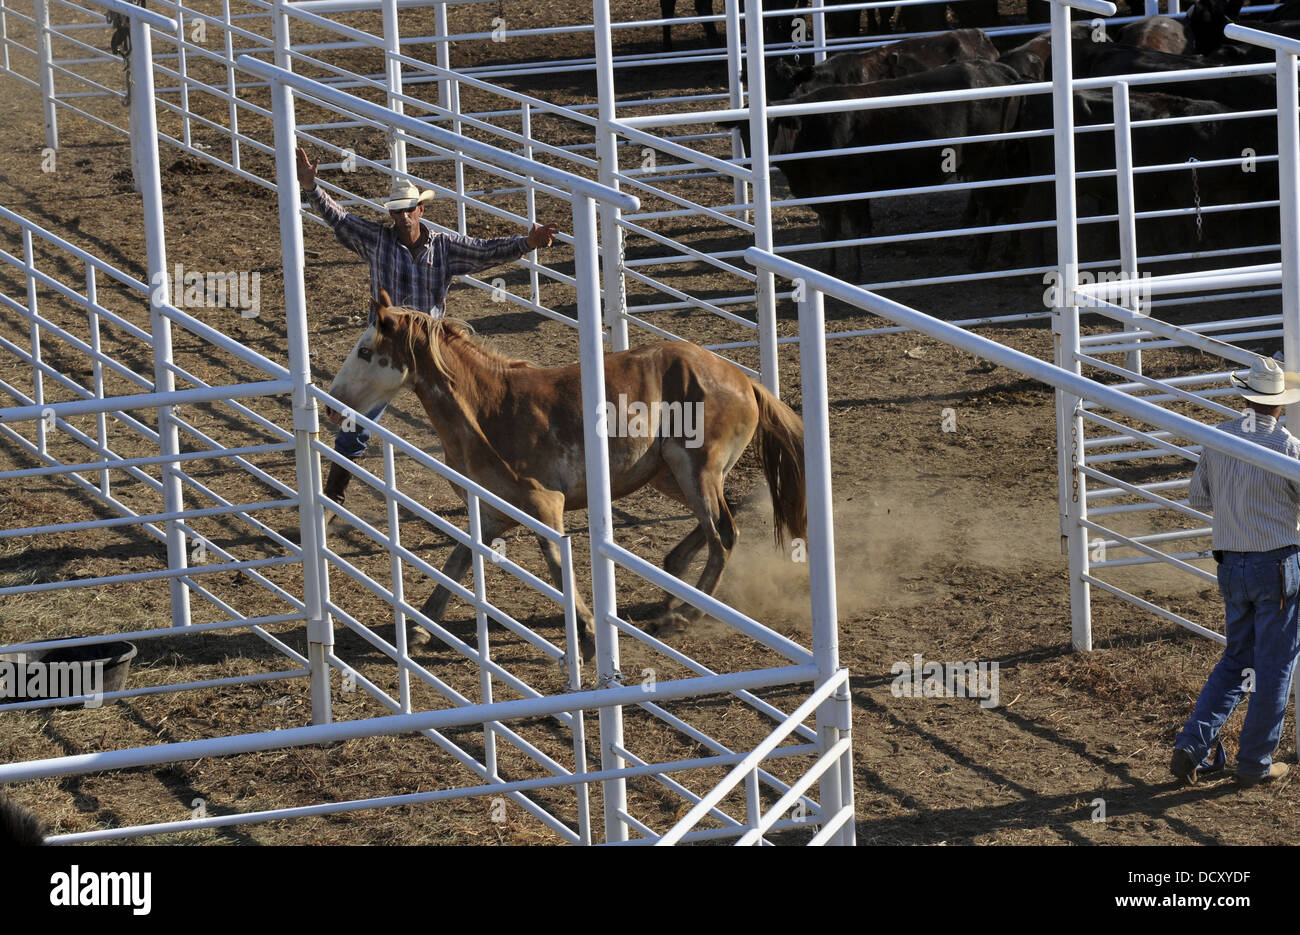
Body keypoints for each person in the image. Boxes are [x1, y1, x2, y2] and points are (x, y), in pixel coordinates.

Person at [295, 146, 560, 511]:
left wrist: (525, 244)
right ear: (392, 214)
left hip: (431, 350)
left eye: (408, 209)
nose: (403, 217)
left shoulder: (444, 247)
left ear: (421, 209)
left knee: (467, 421)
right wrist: (311, 188)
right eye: (397, 211)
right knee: (354, 421)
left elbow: (484, 251)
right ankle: (333, 499)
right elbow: (339, 219)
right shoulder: (378, 241)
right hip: (390, 347)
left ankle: (490, 494)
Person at [1171, 355, 1300, 788]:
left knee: (1237, 659)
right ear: (1280, 405)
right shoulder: (1287, 447)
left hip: (1231, 562)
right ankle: (1255, 762)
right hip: (1276, 564)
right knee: (1275, 663)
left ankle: (1192, 744)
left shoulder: (1217, 438)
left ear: (1245, 398)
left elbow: (1199, 499)